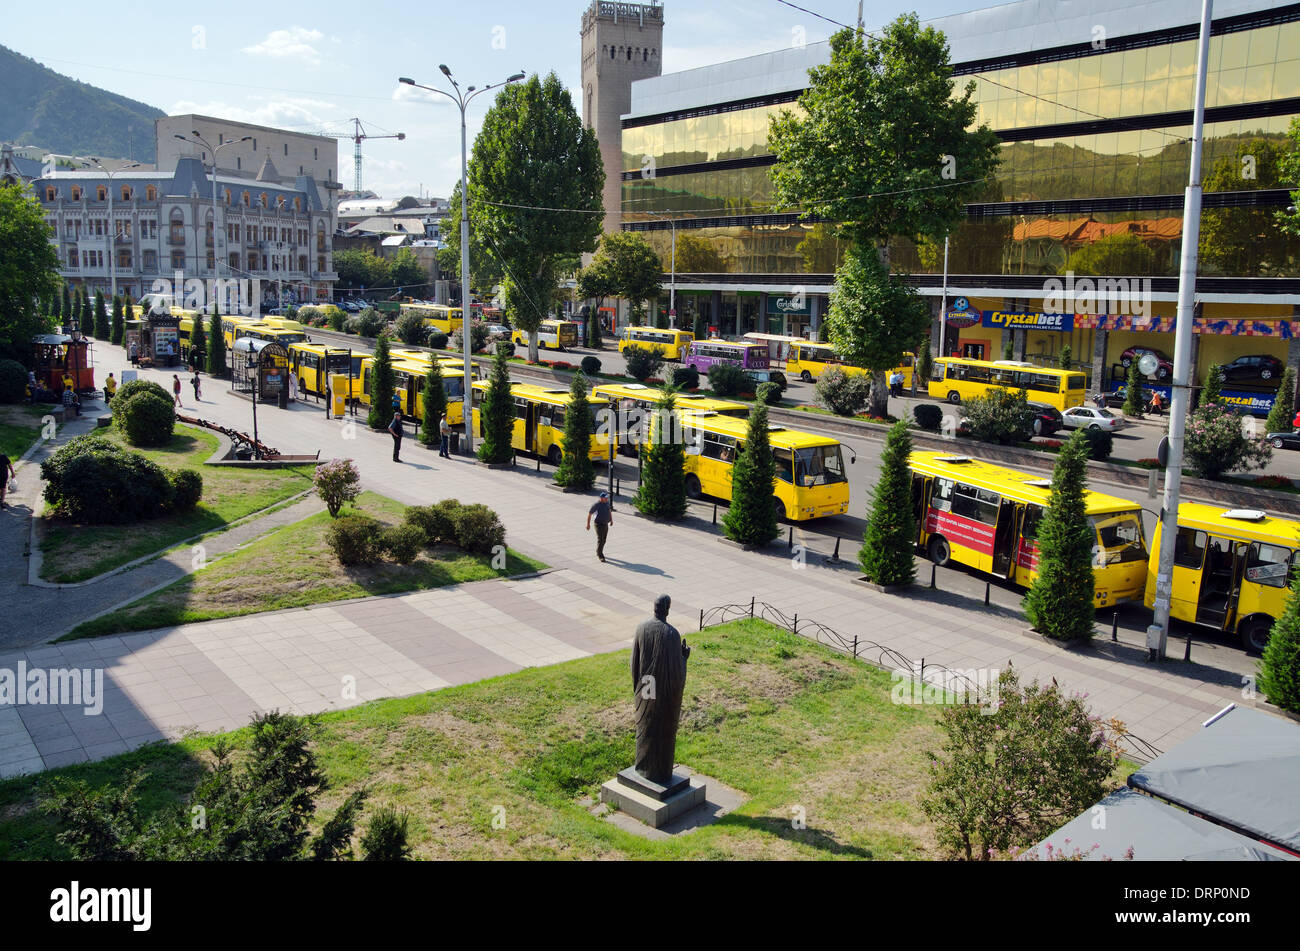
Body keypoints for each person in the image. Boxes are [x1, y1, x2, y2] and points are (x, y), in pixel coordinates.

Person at [586, 490, 614, 563]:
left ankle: (598, 550)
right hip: (598, 524)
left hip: (605, 524)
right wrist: (588, 524)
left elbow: (609, 511)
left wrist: (611, 520)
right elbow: (589, 514)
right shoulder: (596, 505)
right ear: (601, 498)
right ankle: (600, 555)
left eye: (607, 498)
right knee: (600, 539)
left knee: (604, 540)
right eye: (605, 498)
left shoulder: (607, 503)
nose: (607, 499)